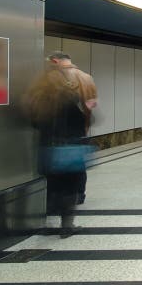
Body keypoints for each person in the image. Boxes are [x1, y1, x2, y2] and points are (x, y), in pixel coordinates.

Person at [25, 60, 92, 238]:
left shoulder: (37, 98)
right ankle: (66, 226)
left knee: (52, 186)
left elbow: (35, 123)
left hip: (46, 147)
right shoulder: (68, 96)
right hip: (67, 148)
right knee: (69, 188)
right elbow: (80, 121)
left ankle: (47, 224)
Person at [46, 51, 97, 204]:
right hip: (81, 126)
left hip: (58, 127)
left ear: (55, 61)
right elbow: (92, 104)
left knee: (58, 164)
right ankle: (79, 194)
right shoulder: (86, 77)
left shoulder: (54, 77)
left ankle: (59, 198)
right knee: (77, 162)